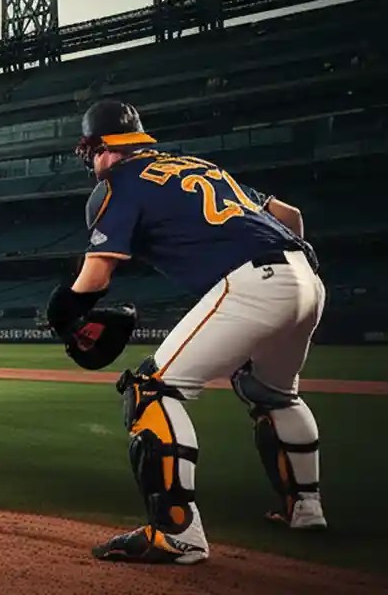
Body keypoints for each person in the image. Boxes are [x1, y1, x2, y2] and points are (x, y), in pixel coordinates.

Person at [47, 99, 325, 565]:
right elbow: (290, 215)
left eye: (91, 152)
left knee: (150, 390)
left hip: (252, 281)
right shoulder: (197, 164)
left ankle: (176, 533)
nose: (91, 165)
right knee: (273, 393)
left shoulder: (120, 181)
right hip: (306, 277)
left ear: (103, 147)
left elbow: (96, 277)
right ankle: (307, 509)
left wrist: (64, 311)